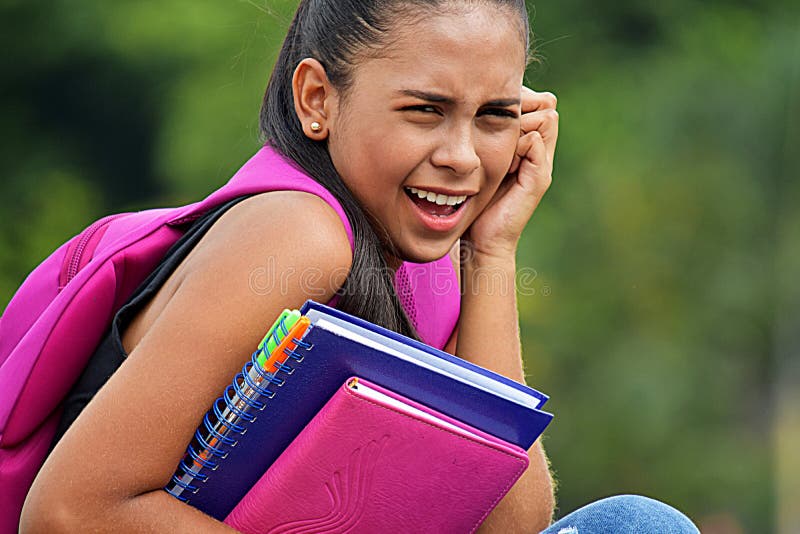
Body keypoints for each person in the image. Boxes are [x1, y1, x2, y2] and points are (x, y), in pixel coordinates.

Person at [19, 1, 699, 532]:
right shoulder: (297, 233)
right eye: (425, 111)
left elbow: (510, 526)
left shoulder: (426, 248)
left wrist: (493, 249)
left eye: (494, 117)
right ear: (317, 99)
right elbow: (70, 514)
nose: (462, 156)